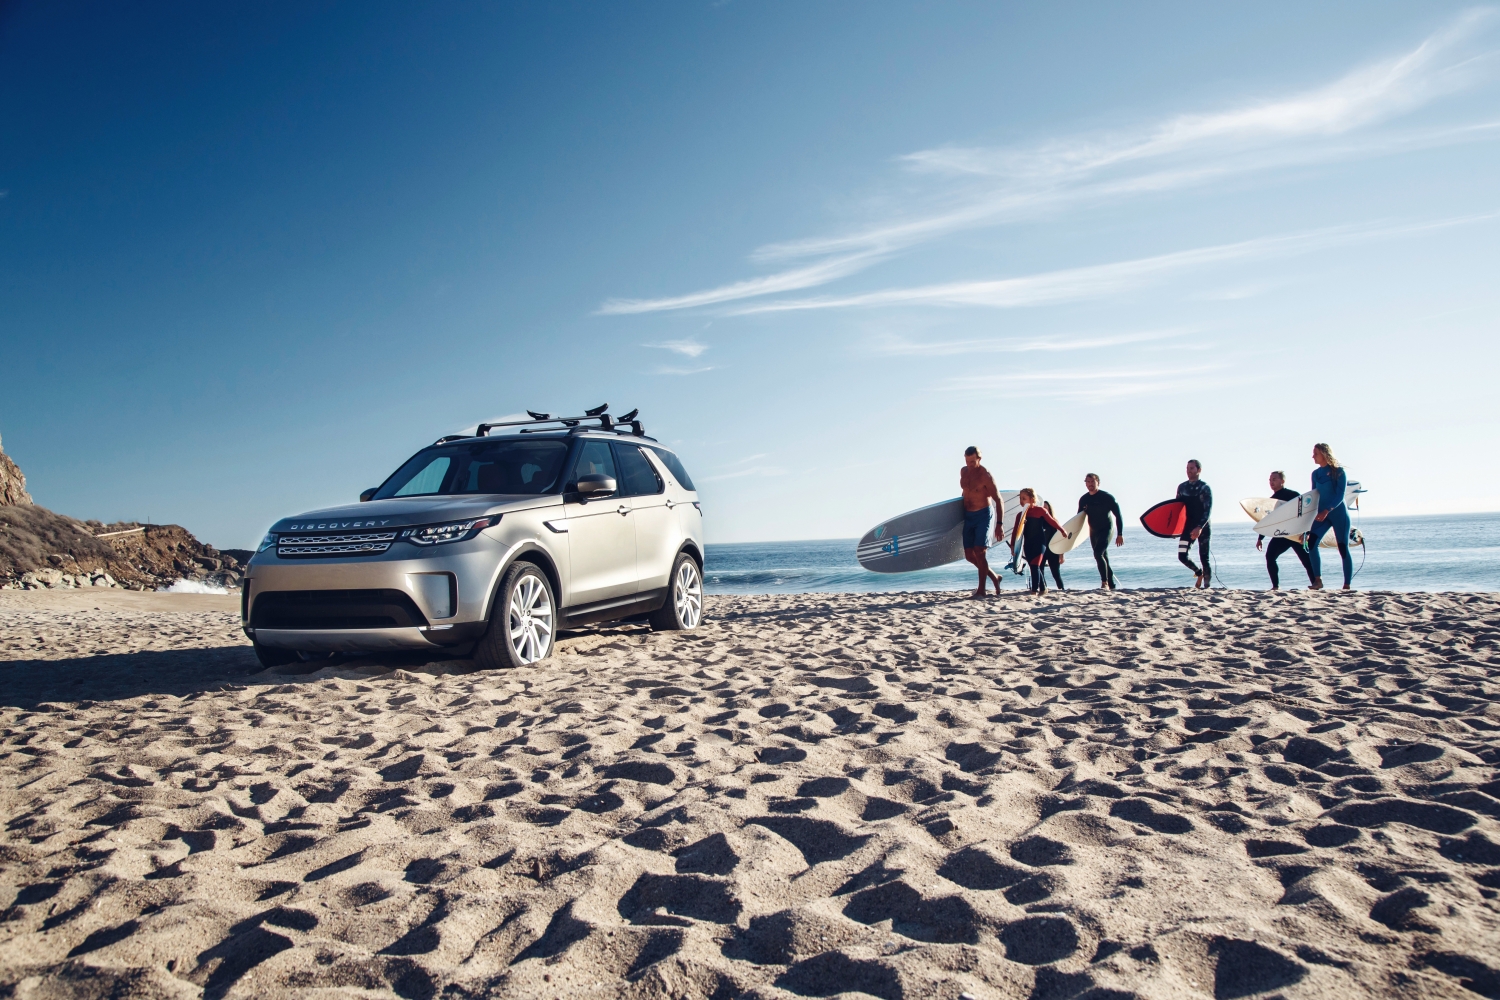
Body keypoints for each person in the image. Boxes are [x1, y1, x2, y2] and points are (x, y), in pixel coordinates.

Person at [1256, 470, 1314, 590]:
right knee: (1270, 556)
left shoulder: (1293, 495)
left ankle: (1315, 584)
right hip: (1282, 535)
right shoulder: (1271, 501)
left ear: (1282, 481)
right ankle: (1275, 586)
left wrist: (1306, 533)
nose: (1271, 482)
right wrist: (1260, 538)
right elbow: (1268, 521)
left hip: (1296, 533)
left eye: (1274, 479)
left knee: (1307, 561)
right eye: (1270, 480)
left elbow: (1306, 514)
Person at [1307, 442, 1354, 591]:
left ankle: (1346, 585)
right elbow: (1314, 496)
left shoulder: (1338, 472)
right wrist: (1308, 520)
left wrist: (1327, 510)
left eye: (1316, 453)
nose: (1313, 456)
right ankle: (1318, 580)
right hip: (1321, 514)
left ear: (1324, 454)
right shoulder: (1315, 474)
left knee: (1342, 547)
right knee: (1311, 544)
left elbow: (1340, 495)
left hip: (1338, 514)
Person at [959, 446, 1002, 598]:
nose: (969, 464)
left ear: (979, 459)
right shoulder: (963, 472)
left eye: (972, 461)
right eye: (967, 461)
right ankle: (994, 577)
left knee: (980, 552)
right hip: (968, 516)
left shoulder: (986, 476)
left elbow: (998, 499)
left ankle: (981, 590)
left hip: (984, 514)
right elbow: (965, 493)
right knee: (969, 555)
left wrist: (999, 525)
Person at [1009, 489, 1068, 594]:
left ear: (1032, 499)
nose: (1021, 501)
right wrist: (1013, 546)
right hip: (1027, 545)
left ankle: (1034, 590)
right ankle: (1043, 588)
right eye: (1020, 499)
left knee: (1035, 564)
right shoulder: (1020, 515)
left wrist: (1062, 530)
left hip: (1040, 543)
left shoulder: (1040, 511)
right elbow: (1015, 532)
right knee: (1033, 566)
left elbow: (1052, 521)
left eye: (1024, 498)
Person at [1077, 473, 1124, 589]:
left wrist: (1120, 534)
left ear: (1098, 482)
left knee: (1098, 553)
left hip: (1106, 529)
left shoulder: (1107, 497)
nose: (1090, 484)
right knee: (1103, 557)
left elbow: (1118, 515)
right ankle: (1112, 585)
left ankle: (1104, 583)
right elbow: (1078, 518)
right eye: (1087, 482)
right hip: (1093, 531)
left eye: (1092, 481)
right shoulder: (1084, 499)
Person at [1176, 460, 1213, 588]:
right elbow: (1177, 509)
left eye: (1192, 468)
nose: (1189, 470)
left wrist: (1199, 527)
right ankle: (1199, 573)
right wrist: (1175, 529)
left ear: (1199, 470)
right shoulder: (1182, 487)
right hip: (1187, 527)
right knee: (1182, 556)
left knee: (1204, 558)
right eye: (1187, 468)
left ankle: (1207, 587)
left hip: (1203, 527)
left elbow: (1207, 510)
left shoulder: (1204, 488)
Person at [1041, 501, 1066, 590]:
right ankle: (1043, 589)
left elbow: (1060, 539)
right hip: (1042, 550)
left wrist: (1061, 555)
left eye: (1046, 508)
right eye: (1042, 507)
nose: (1044, 509)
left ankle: (1061, 589)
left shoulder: (1054, 522)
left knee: (1055, 573)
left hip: (1053, 551)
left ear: (1049, 510)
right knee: (1040, 571)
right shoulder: (1039, 522)